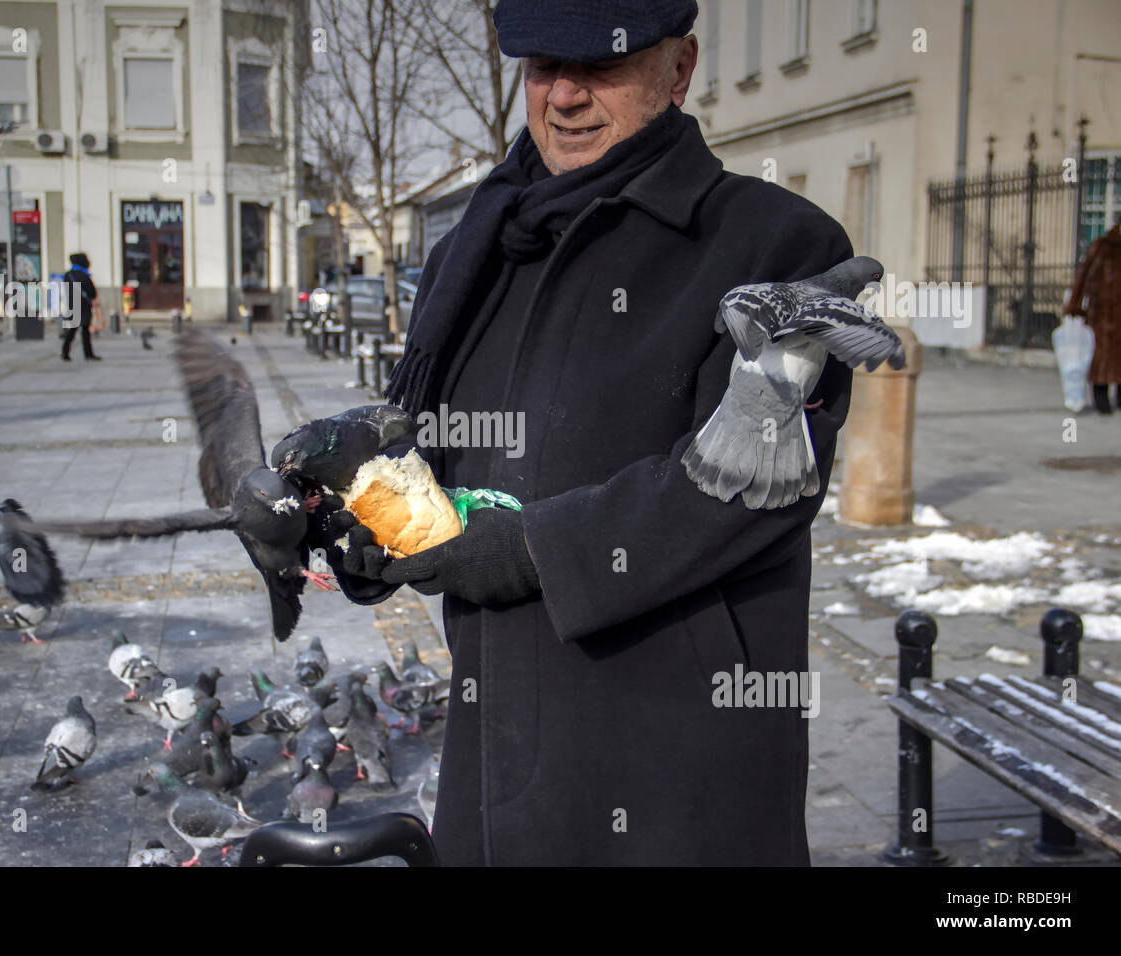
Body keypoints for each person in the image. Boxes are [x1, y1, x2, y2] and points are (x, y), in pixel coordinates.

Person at [315, 0, 860, 865]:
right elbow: (432, 464)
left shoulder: (779, 245)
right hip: (502, 742)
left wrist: (532, 550)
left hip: (672, 755)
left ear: (678, 69)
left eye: (599, 68)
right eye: (539, 66)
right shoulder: (477, 248)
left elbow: (754, 491)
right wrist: (349, 505)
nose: (563, 96)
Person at [1065, 219, 1121, 414]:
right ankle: (1101, 397)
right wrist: (1074, 303)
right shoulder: (1102, 247)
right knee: (1102, 356)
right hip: (1103, 313)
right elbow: (1083, 276)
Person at [60, 252, 101, 361]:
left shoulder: (69, 274)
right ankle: (88, 354)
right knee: (85, 331)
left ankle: (65, 352)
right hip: (84, 306)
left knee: (72, 330)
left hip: (73, 305)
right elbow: (91, 291)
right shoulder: (83, 274)